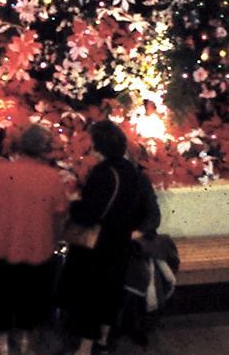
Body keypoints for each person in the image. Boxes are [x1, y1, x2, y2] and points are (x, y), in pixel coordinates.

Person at [57, 120, 160, 355]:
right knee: (109, 293)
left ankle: (84, 349)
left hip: (98, 245)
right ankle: (103, 340)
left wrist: (73, 205)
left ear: (99, 145)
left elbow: (90, 213)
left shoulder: (103, 173)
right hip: (119, 243)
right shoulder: (130, 171)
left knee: (91, 295)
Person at [0, 123, 69, 355]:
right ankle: (26, 340)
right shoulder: (52, 178)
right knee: (31, 295)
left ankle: (2, 341)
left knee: (4, 294)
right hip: (38, 246)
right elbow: (60, 211)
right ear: (45, 150)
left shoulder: (3, 171)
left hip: (4, 243)